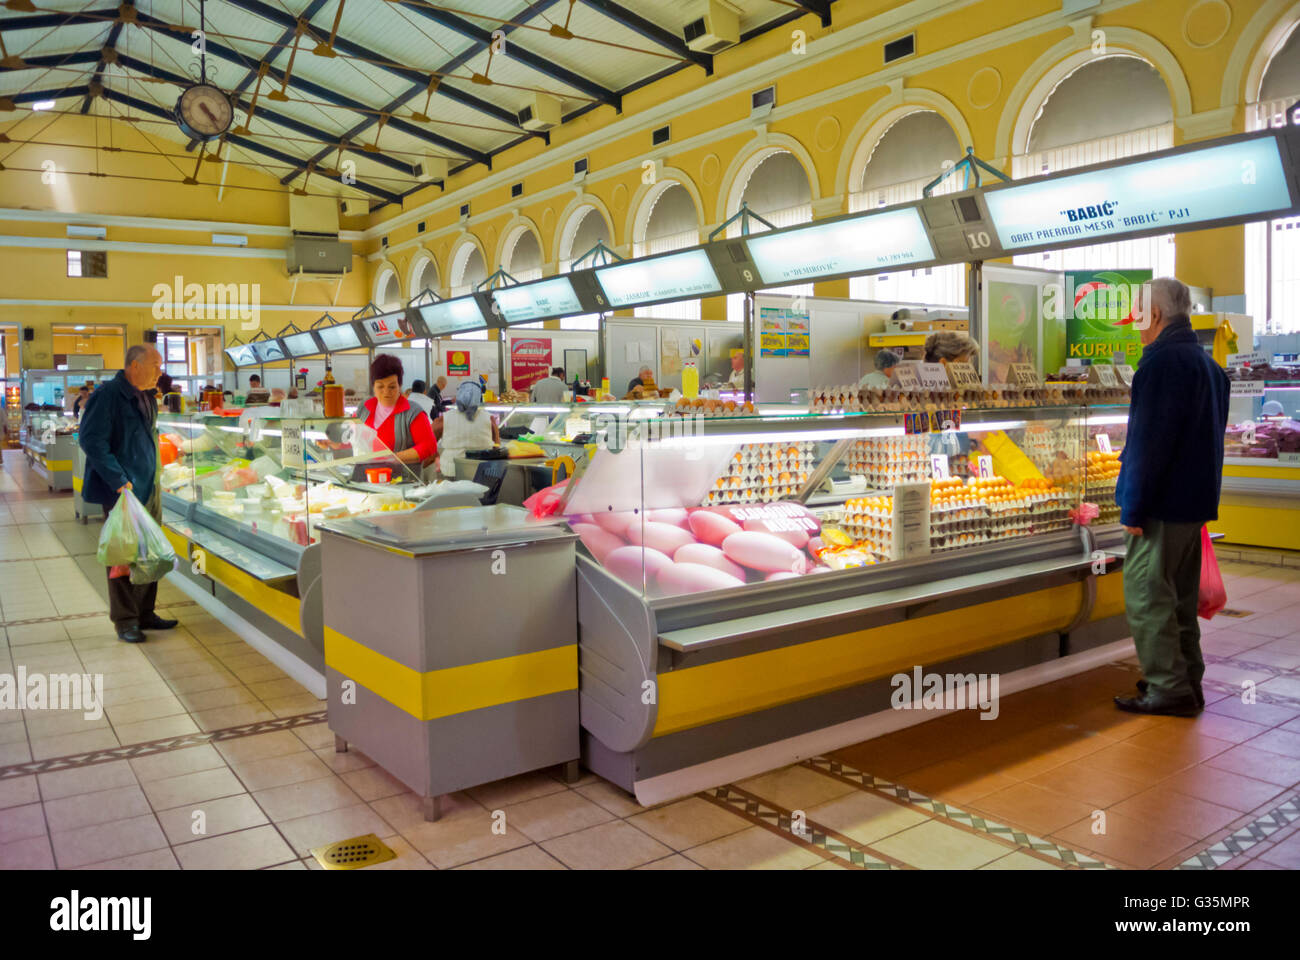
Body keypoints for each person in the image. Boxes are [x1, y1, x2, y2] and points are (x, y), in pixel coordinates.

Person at [1113, 277, 1229, 718]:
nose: (1135, 326)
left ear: (1156, 315)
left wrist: (1134, 506)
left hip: (1161, 506)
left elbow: (1149, 445)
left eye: (1139, 316)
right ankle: (1186, 680)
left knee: (1147, 596)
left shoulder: (1160, 365)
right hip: (1194, 504)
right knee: (1179, 597)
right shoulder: (1207, 365)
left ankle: (1167, 687)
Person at [78, 344, 179, 644]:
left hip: (149, 487)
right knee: (124, 556)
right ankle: (125, 621)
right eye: (156, 365)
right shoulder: (108, 396)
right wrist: (119, 479)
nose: (161, 372)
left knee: (150, 552)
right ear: (134, 365)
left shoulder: (148, 396)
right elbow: (91, 440)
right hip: (124, 491)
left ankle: (145, 612)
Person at [357, 354, 437, 468]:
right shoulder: (364, 409)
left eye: (392, 387)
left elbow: (429, 446)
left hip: (401, 481)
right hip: (366, 478)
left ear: (400, 385)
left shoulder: (413, 413)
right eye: (380, 387)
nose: (386, 392)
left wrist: (392, 458)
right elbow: (350, 438)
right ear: (373, 386)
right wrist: (333, 443)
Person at [434, 380, 499, 478]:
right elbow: (497, 447)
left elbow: (429, 444)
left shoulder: (444, 418)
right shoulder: (489, 418)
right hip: (481, 473)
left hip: (450, 471)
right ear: (479, 398)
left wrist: (436, 458)